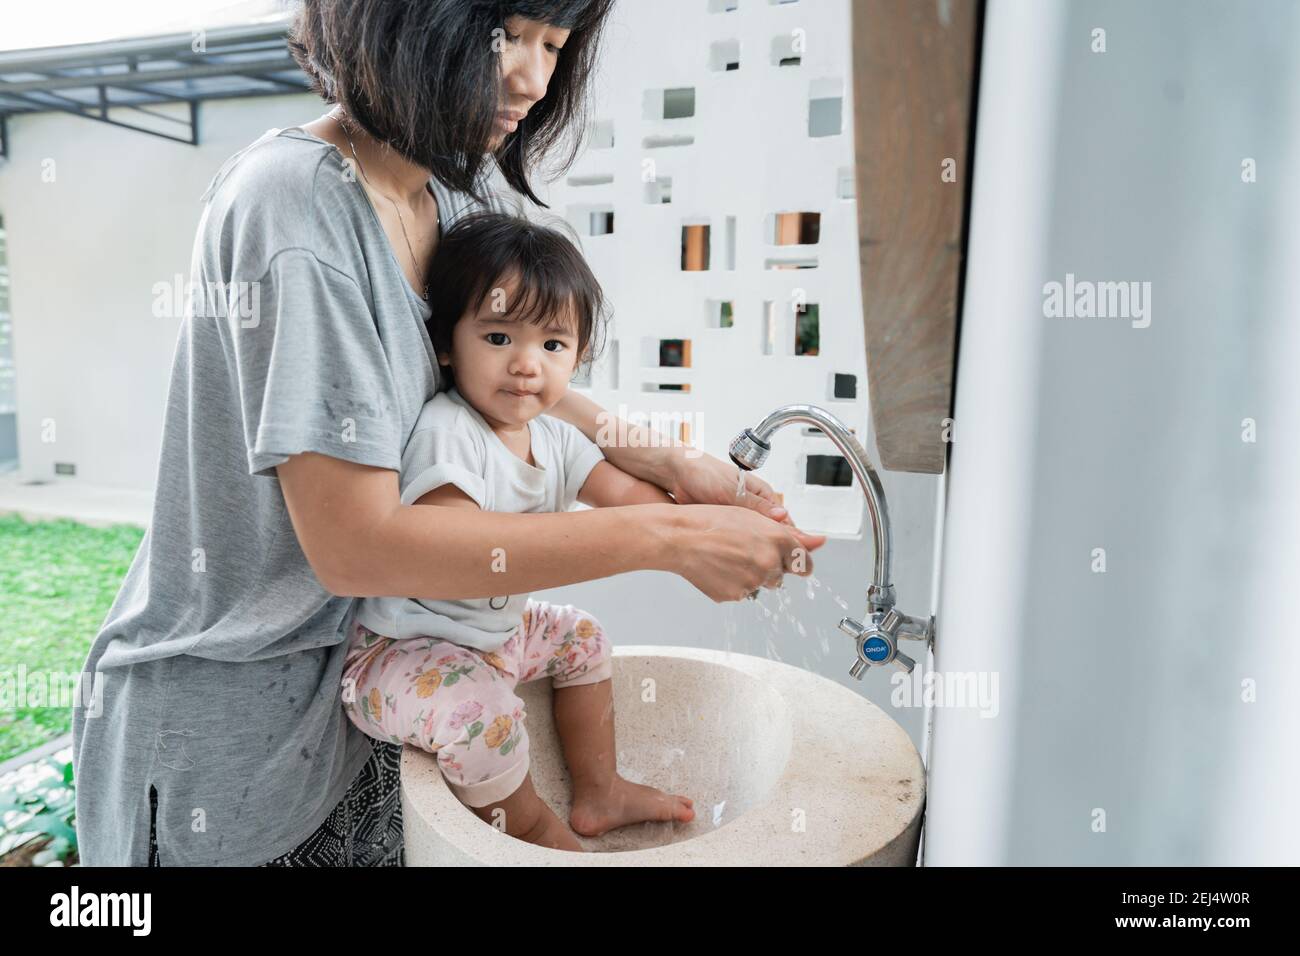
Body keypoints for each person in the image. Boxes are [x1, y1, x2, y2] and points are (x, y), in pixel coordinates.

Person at [72, 0, 824, 867]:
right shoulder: (296, 211)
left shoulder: (450, 191)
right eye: (509, 34)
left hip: (368, 707)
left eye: (555, 44)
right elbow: (358, 546)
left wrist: (659, 456)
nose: (535, 80)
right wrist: (672, 535)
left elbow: (497, 381)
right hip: (235, 742)